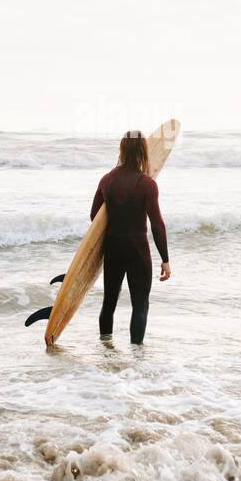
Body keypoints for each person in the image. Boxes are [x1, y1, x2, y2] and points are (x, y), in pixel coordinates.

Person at [89, 131, 170, 344]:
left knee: (109, 302)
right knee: (140, 304)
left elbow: (94, 217)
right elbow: (157, 224)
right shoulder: (146, 184)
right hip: (137, 250)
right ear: (143, 150)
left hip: (113, 248)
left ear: (122, 150)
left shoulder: (106, 180)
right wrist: (165, 259)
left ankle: (105, 348)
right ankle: (136, 355)